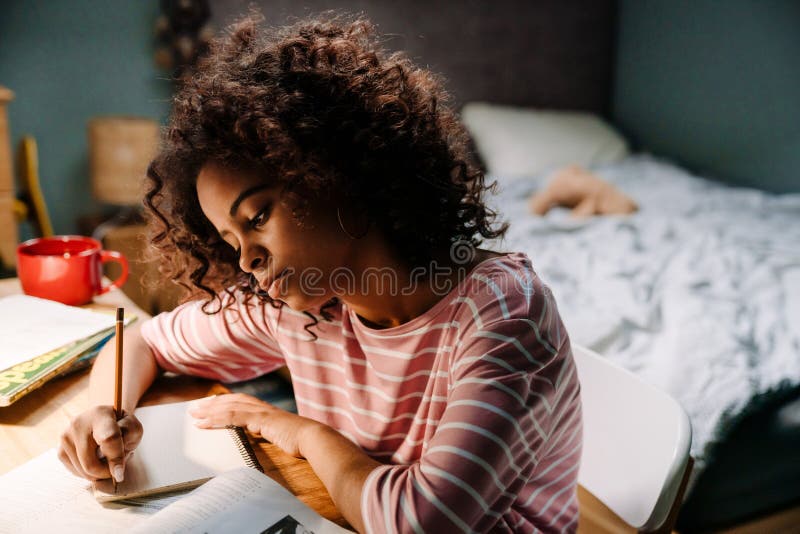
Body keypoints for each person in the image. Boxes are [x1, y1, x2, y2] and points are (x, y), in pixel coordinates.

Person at [59, 14, 583, 533]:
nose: (246, 260)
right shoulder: (303, 306)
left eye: (258, 217)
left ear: (338, 174)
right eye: (230, 241)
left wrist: (301, 433)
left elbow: (422, 523)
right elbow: (143, 342)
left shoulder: (504, 315)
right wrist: (104, 409)